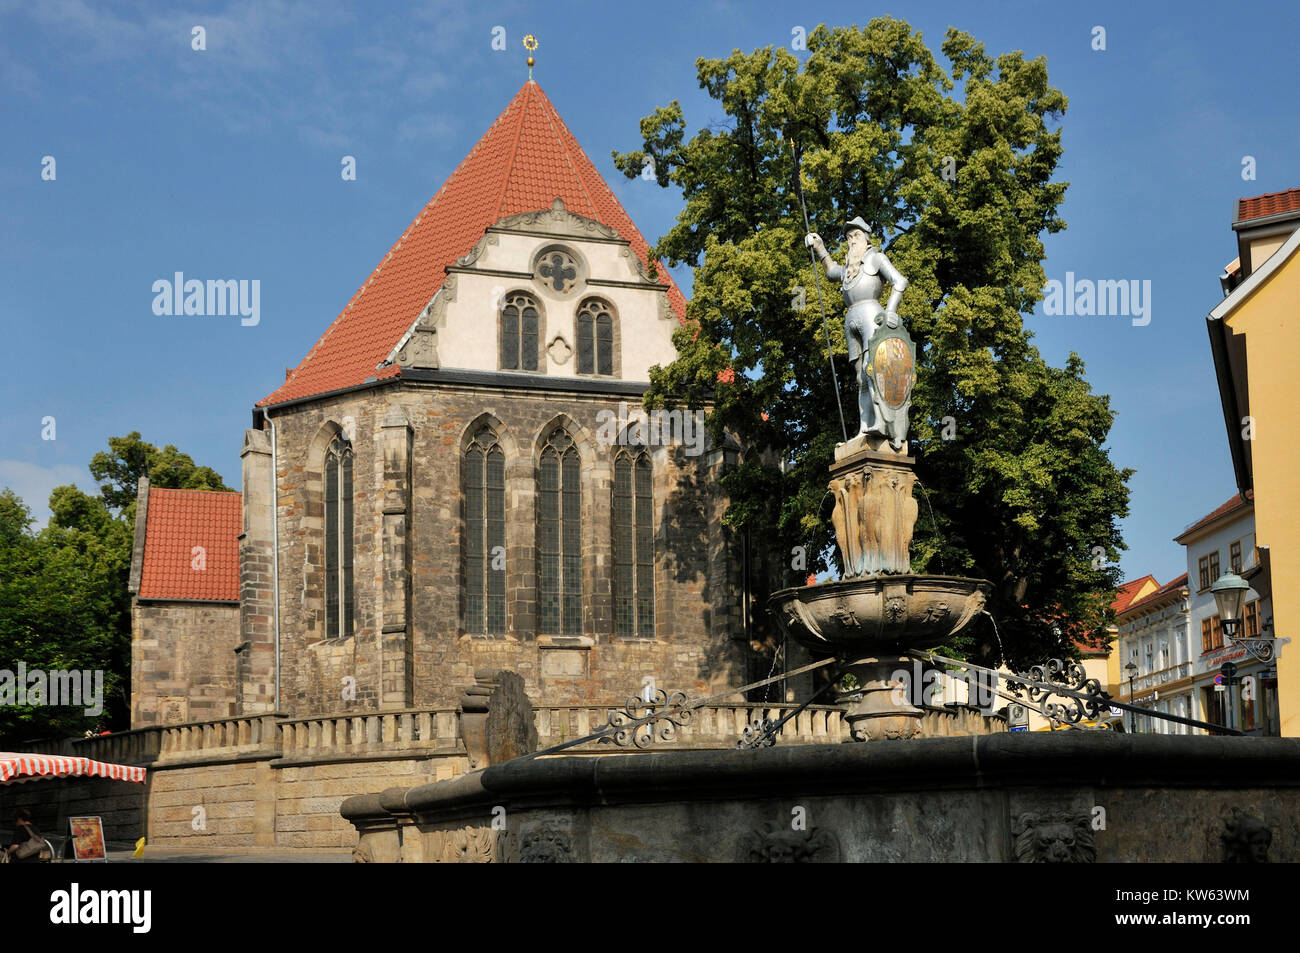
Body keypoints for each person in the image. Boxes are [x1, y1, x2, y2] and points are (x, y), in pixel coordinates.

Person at [805, 218, 911, 446]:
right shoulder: (849, 268)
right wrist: (820, 247)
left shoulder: (875, 258)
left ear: (865, 237)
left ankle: (883, 423)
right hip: (851, 318)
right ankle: (864, 429)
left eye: (856, 236)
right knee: (860, 377)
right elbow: (831, 271)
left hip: (871, 314)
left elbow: (899, 281)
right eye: (849, 237)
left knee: (873, 369)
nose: (852, 241)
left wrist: (891, 311)